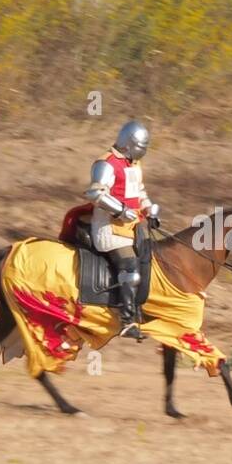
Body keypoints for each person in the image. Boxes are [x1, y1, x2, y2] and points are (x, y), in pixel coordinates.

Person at [83, 120, 160, 339]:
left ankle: (139, 307)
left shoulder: (133, 164)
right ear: (129, 143)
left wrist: (149, 210)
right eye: (140, 146)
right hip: (108, 228)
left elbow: (140, 191)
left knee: (149, 258)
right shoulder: (106, 163)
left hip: (132, 228)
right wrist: (120, 211)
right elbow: (95, 194)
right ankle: (126, 321)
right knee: (130, 267)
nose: (142, 151)